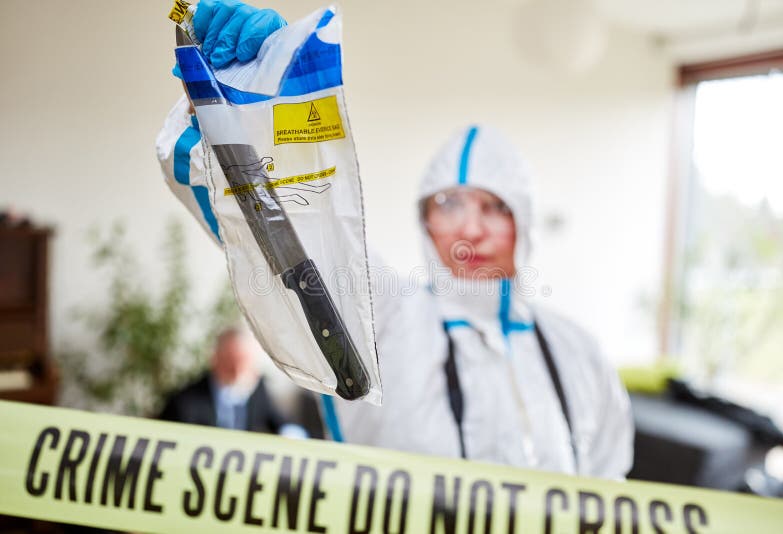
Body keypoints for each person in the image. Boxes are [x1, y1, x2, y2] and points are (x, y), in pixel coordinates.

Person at [157, 1, 633, 478]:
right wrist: (258, 109)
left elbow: (611, 493)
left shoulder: (580, 354)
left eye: (494, 206)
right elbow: (292, 226)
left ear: (524, 224)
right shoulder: (381, 320)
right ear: (425, 222)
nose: (471, 228)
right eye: (449, 205)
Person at [159, 326, 306, 436]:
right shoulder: (187, 402)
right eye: (232, 362)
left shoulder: (257, 388)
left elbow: (281, 422)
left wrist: (291, 434)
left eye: (246, 363)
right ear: (215, 360)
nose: (239, 371)